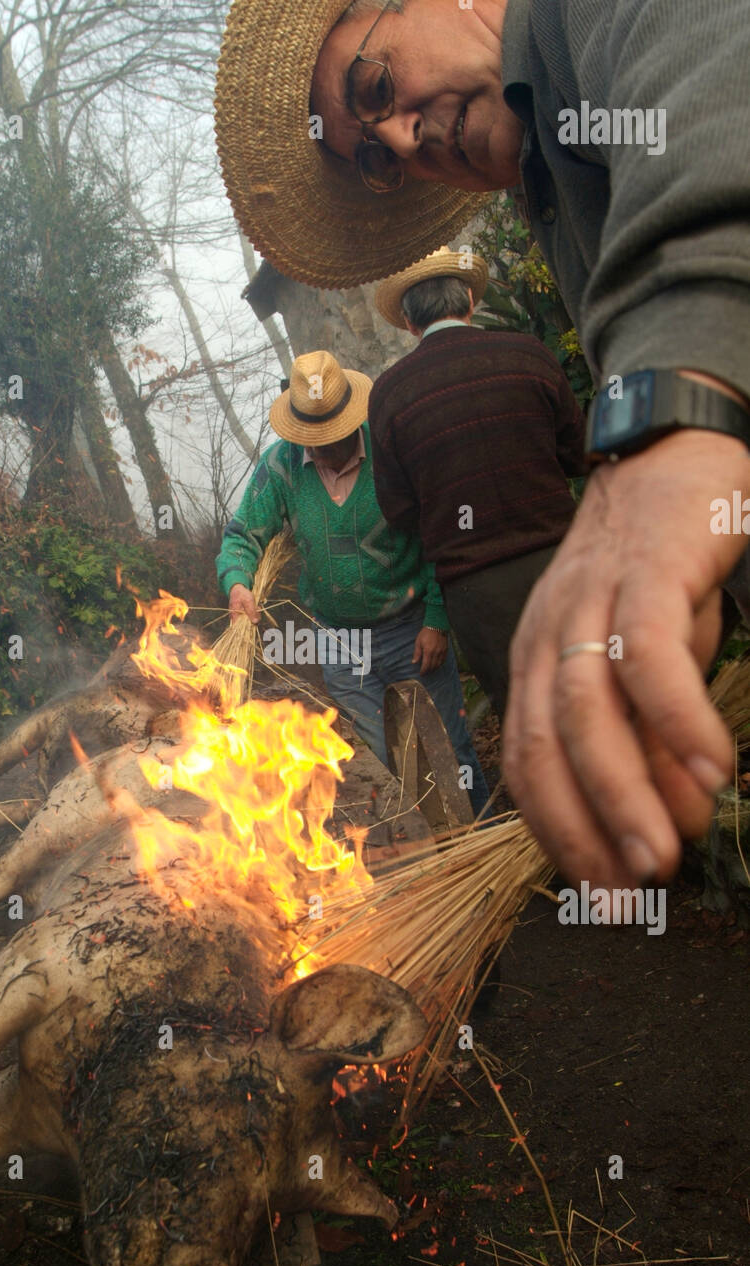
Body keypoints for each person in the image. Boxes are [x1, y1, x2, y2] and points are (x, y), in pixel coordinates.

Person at [215, 0, 750, 890]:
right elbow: (574, 446)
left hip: (470, 594)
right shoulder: (551, 183)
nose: (402, 132)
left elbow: (713, 94)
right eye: (376, 154)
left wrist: (668, 424)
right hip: (501, 588)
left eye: (375, 84)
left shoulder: (585, 20)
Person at [216, 349, 490, 812]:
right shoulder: (281, 466)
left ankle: (483, 837)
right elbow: (243, 535)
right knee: (394, 761)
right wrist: (238, 583)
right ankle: (442, 851)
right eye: (313, 437)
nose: (323, 447)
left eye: (334, 433)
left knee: (450, 748)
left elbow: (439, 531)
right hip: (338, 642)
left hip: (412, 628)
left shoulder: (391, 450)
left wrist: (437, 619)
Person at [369, 244, 586, 722]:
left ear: (409, 322)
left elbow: (400, 512)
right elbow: (578, 453)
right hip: (563, 560)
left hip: (476, 591)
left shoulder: (389, 393)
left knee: (531, 721)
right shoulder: (528, 353)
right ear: (469, 300)